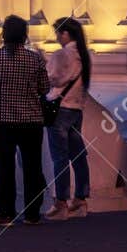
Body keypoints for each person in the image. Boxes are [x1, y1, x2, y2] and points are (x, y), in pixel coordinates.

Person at [0, 15, 50, 226]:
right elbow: (45, 88)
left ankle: (5, 213)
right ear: (25, 35)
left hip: (1, 120)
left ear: (3, 34)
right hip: (31, 120)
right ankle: (32, 214)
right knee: (32, 167)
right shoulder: (35, 59)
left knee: (5, 166)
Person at [44, 16, 91, 220]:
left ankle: (61, 203)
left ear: (65, 34)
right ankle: (80, 199)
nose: (56, 38)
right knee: (78, 156)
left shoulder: (62, 54)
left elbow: (53, 79)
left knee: (59, 158)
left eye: (57, 33)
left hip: (59, 109)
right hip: (76, 108)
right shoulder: (84, 54)